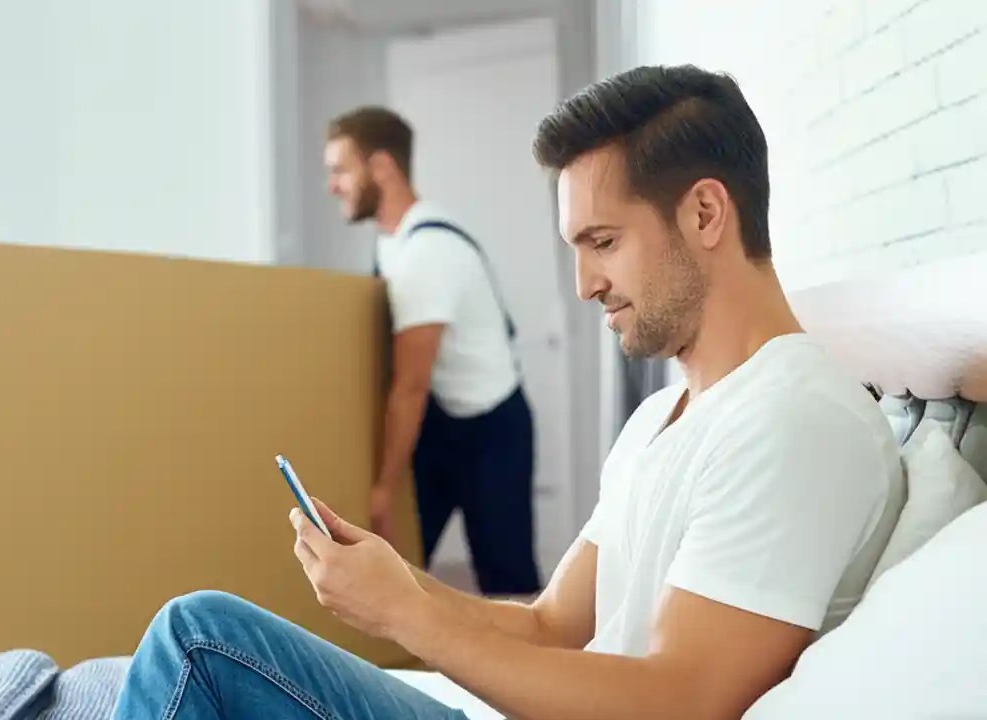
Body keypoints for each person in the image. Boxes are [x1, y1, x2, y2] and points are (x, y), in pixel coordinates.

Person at [110, 64, 906, 719]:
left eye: (603, 242)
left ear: (704, 212)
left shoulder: (795, 419)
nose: (585, 283)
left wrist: (408, 618)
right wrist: (398, 581)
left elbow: (681, 701)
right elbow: (552, 625)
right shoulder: (664, 418)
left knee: (199, 641)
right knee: (185, 650)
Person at [322, 106, 542, 596]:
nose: (332, 185)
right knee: (404, 564)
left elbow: (410, 385)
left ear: (381, 167)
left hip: (492, 428)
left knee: (506, 578)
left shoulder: (428, 252)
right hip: (442, 422)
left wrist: (383, 490)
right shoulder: (393, 244)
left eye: (340, 169)